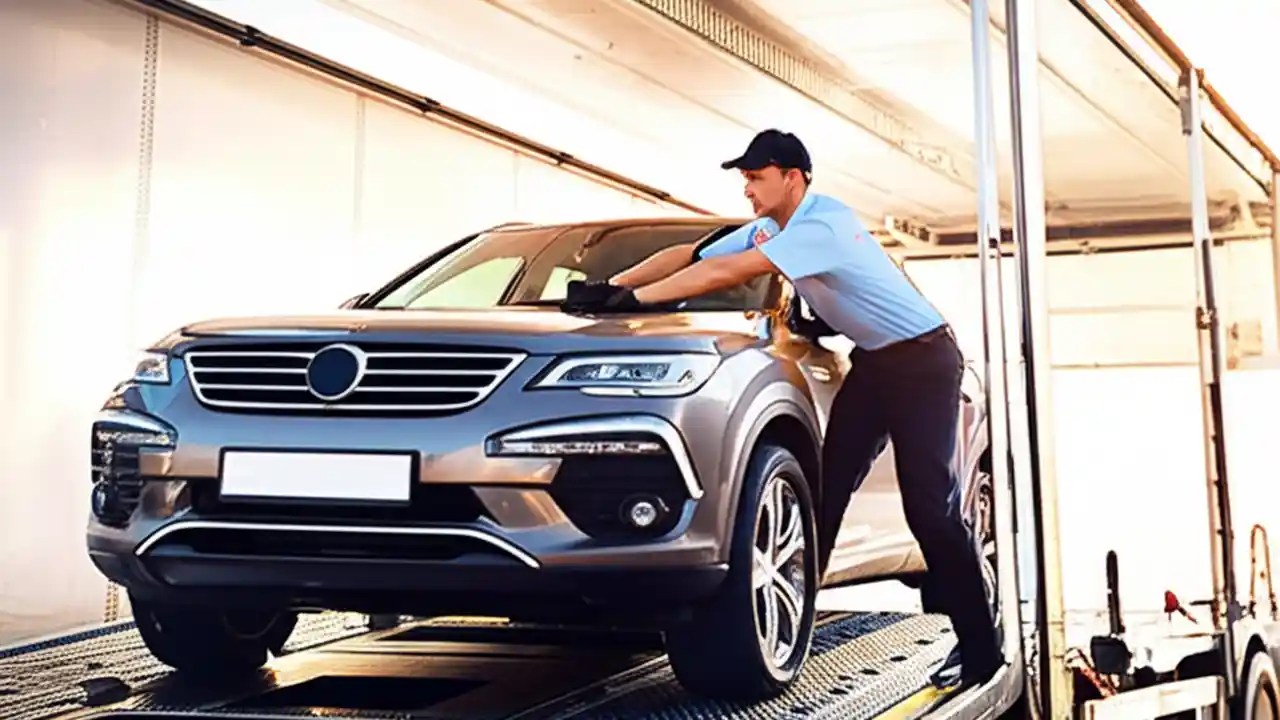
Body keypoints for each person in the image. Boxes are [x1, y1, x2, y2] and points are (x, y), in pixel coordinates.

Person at [563, 129, 1002, 690]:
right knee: (823, 493)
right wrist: (610, 287)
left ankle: (980, 650)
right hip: (875, 363)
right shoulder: (773, 226)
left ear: (793, 178)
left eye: (755, 177)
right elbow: (693, 256)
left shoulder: (822, 225)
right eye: (745, 179)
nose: (747, 188)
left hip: (924, 362)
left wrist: (636, 301)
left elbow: (728, 273)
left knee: (930, 511)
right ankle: (779, 629)